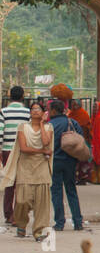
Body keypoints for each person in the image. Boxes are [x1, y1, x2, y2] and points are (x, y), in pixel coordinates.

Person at [2, 101, 53, 239]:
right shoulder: (22, 127)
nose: (35, 111)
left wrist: (42, 124)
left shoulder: (48, 127)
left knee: (42, 203)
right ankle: (21, 224)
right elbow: (24, 148)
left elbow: (46, 141)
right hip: (25, 167)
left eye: (38, 109)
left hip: (41, 168)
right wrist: (42, 151)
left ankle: (39, 231)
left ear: (43, 113)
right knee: (22, 200)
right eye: (33, 109)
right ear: (30, 112)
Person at [47, 99, 86, 232]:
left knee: (56, 192)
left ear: (53, 110)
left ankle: (59, 222)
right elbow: (81, 140)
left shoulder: (49, 125)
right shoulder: (72, 122)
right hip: (70, 161)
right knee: (71, 190)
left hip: (55, 161)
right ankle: (78, 222)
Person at [51, 85, 92, 186]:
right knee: (70, 188)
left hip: (73, 144)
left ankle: (82, 177)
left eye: (76, 105)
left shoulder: (82, 114)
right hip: (70, 144)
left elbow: (86, 127)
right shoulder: (71, 116)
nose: (75, 106)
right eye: (73, 105)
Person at [2, 85, 29, 223]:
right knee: (21, 184)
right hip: (23, 151)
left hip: (7, 150)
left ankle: (9, 214)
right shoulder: (28, 112)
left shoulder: (3, 112)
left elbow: (0, 133)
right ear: (22, 96)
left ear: (9, 95)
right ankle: (19, 215)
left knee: (9, 182)